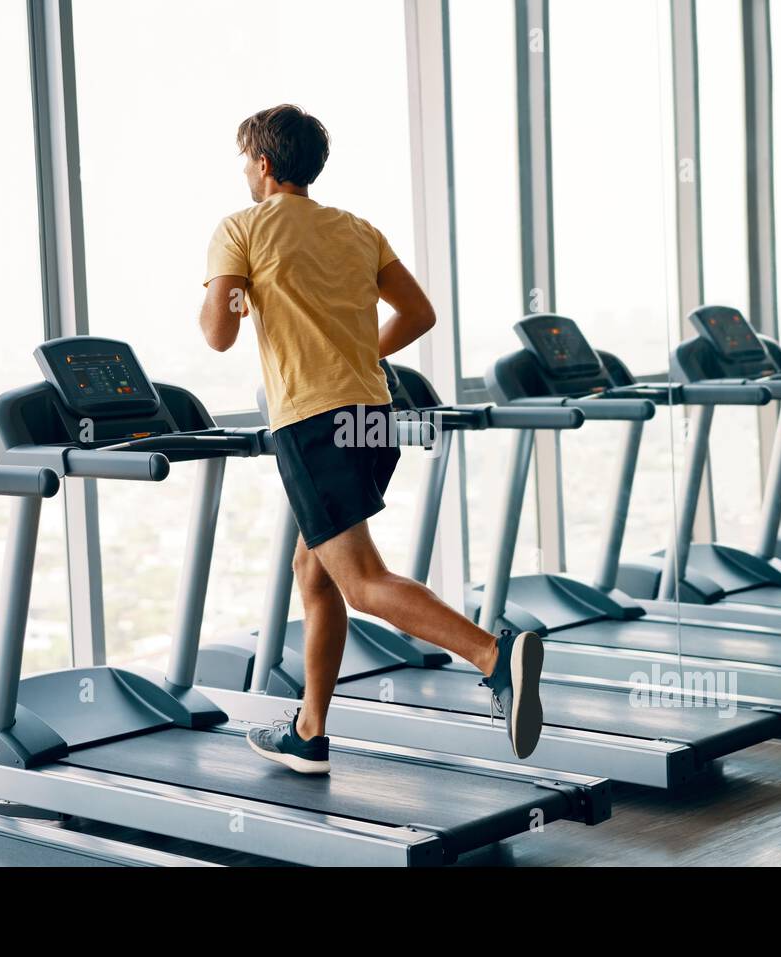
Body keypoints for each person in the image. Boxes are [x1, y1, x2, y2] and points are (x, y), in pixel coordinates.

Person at [198, 104, 544, 772]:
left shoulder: (239, 228)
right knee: (314, 568)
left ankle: (496, 657)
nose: (244, 170)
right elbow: (419, 313)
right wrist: (360, 354)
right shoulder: (357, 229)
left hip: (314, 422)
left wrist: (228, 288)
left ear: (264, 163)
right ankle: (310, 729)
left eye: (246, 159)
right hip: (374, 417)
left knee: (359, 580)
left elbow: (218, 334)